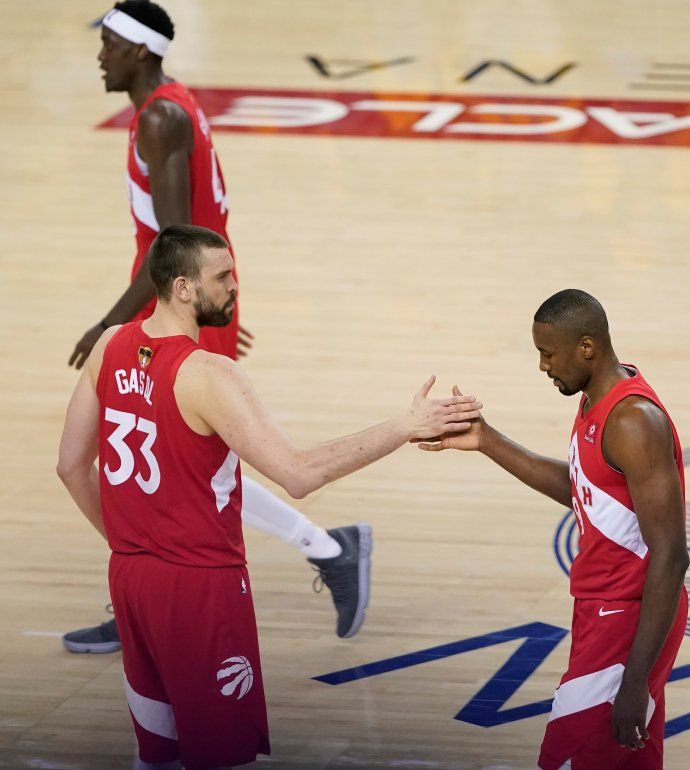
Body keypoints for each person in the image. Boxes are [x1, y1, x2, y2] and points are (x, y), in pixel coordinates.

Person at [57, 224, 481, 770]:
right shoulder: (210, 374)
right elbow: (299, 473)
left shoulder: (109, 345)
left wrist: (132, 544)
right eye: (224, 276)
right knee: (221, 756)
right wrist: (407, 426)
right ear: (183, 287)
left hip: (130, 579)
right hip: (199, 591)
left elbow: (70, 466)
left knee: (157, 753)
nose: (236, 285)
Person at [64, 0, 369, 650]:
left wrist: (110, 327)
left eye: (111, 44)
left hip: (171, 299)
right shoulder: (169, 103)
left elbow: (175, 242)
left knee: (187, 465)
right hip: (181, 296)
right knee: (164, 457)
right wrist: (219, 307)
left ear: (140, 53)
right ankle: (319, 550)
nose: (100, 55)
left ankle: (323, 548)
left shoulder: (163, 117)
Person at [418, 289, 689, 770]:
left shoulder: (633, 422)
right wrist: (486, 438)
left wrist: (633, 679)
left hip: (626, 619)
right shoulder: (597, 400)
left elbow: (671, 556)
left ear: (586, 347)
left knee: (567, 759)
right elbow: (585, 489)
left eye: (548, 354)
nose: (543, 366)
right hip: (606, 611)